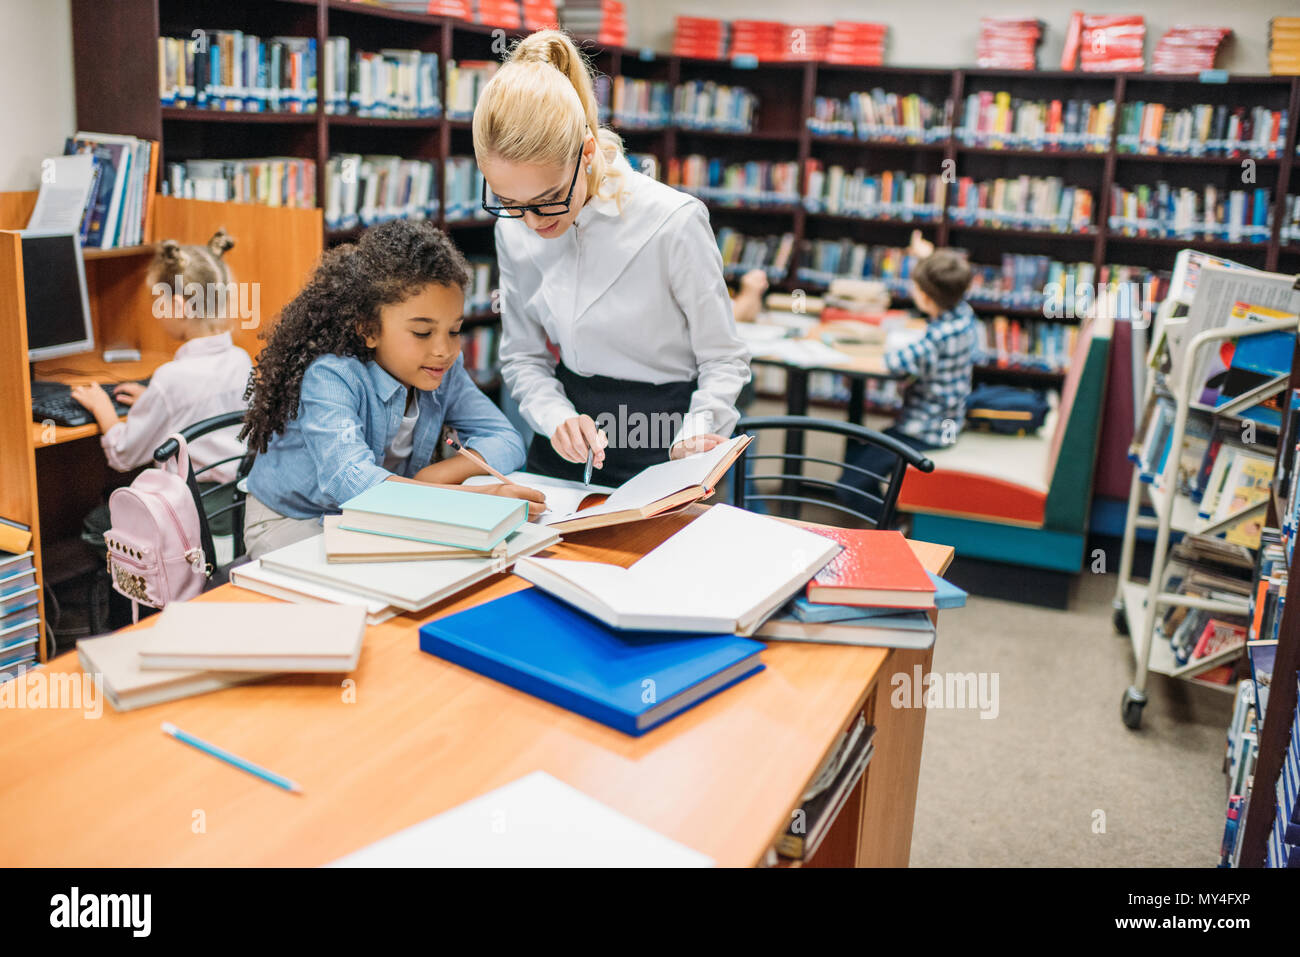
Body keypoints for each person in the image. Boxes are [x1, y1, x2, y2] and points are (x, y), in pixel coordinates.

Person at [473, 29, 750, 486]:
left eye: (548, 200)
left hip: (665, 439)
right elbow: (523, 358)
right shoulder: (514, 227)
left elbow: (724, 359)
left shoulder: (673, 221)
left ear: (585, 154)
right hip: (566, 443)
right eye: (509, 201)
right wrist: (555, 415)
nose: (531, 222)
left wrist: (697, 434)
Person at [239, 220, 541, 560]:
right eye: (423, 333)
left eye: (454, 331)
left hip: (379, 513)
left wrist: (439, 474)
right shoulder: (332, 375)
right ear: (369, 329)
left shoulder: (444, 369)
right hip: (293, 519)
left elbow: (506, 438)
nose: (444, 350)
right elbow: (352, 482)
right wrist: (476, 499)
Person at [75, 231, 252, 551]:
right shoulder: (240, 360)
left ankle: (147, 600)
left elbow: (124, 455)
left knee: (96, 524)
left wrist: (103, 409)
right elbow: (204, 408)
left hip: (190, 515)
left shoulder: (172, 379)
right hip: (234, 508)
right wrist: (158, 404)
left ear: (178, 305)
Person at [841, 230, 977, 518]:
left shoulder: (936, 338)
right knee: (856, 451)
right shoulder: (964, 314)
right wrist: (925, 256)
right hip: (944, 421)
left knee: (848, 486)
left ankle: (891, 525)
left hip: (922, 431)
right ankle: (892, 512)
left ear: (926, 298)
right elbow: (945, 282)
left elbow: (892, 363)